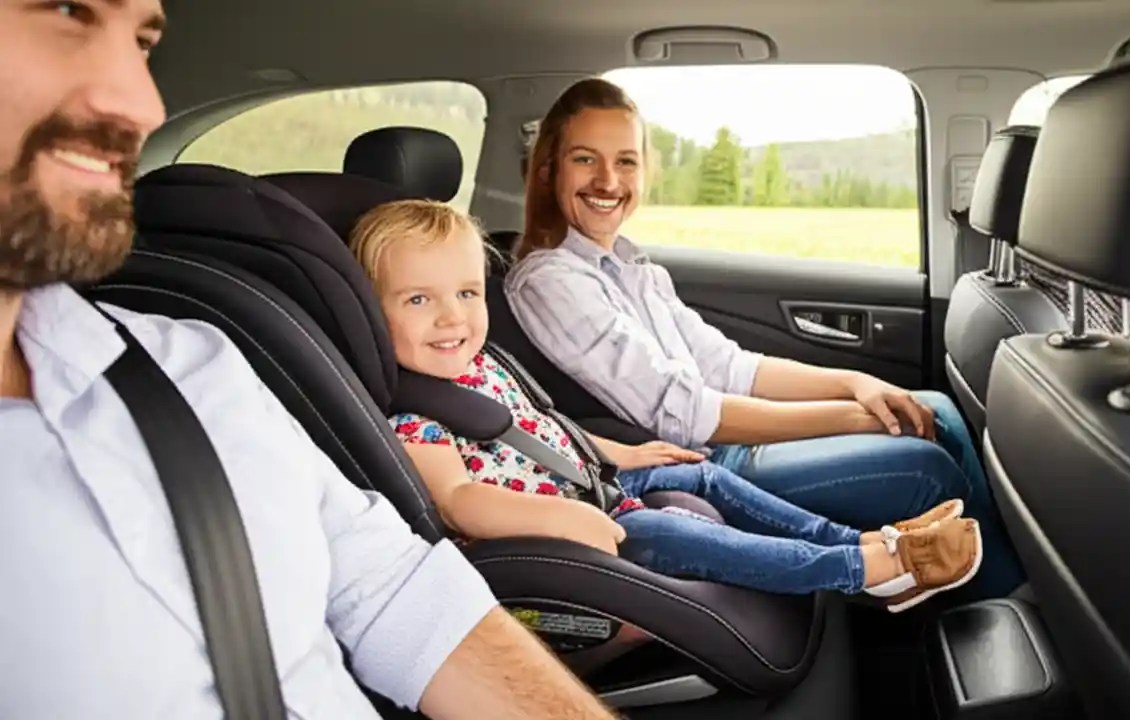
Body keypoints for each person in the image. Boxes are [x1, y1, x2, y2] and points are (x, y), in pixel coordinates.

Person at [0, 2, 616, 718]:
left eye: (142, 42)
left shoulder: (191, 364)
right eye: (68, 11)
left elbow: (393, 591)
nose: (143, 106)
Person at [503, 78, 1024, 599]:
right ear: (549, 170)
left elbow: (730, 367)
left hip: (730, 442)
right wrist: (858, 418)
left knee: (933, 407)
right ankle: (996, 605)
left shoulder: (631, 268)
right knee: (928, 464)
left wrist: (855, 384)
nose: (608, 180)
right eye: (585, 159)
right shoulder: (551, 281)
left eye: (626, 161)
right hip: (705, 460)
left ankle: (1003, 589)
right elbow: (683, 412)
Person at [350, 197, 984, 612]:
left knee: (701, 473)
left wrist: (626, 455)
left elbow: (544, 429)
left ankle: (857, 537)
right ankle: (863, 568)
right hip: (562, 531)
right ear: (371, 314)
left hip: (589, 483)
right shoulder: (414, 418)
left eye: (466, 293)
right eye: (418, 300)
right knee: (681, 532)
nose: (452, 318)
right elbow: (461, 501)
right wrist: (568, 520)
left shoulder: (482, 365)